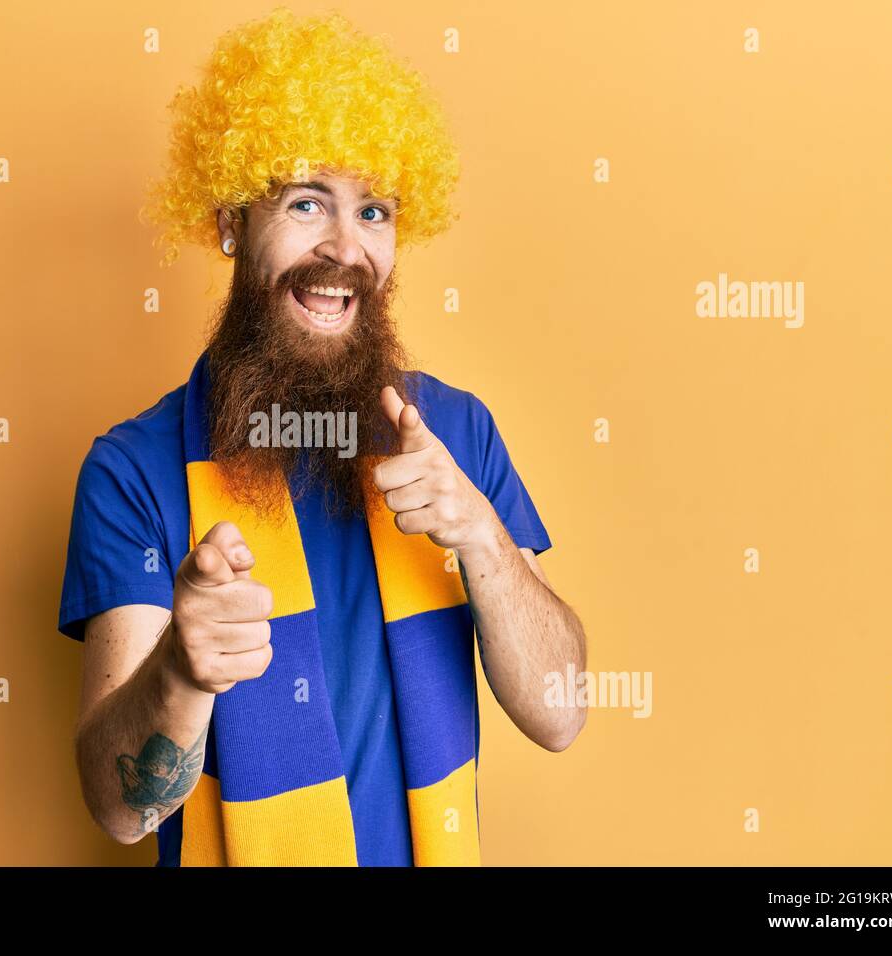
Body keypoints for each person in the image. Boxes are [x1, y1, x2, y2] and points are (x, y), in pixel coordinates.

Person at [58, 7, 587, 866]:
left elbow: (561, 714)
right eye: (308, 203)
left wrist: (484, 538)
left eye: (374, 210)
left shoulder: (452, 434)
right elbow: (121, 812)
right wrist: (182, 674)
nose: (346, 248)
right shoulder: (134, 470)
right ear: (232, 221)